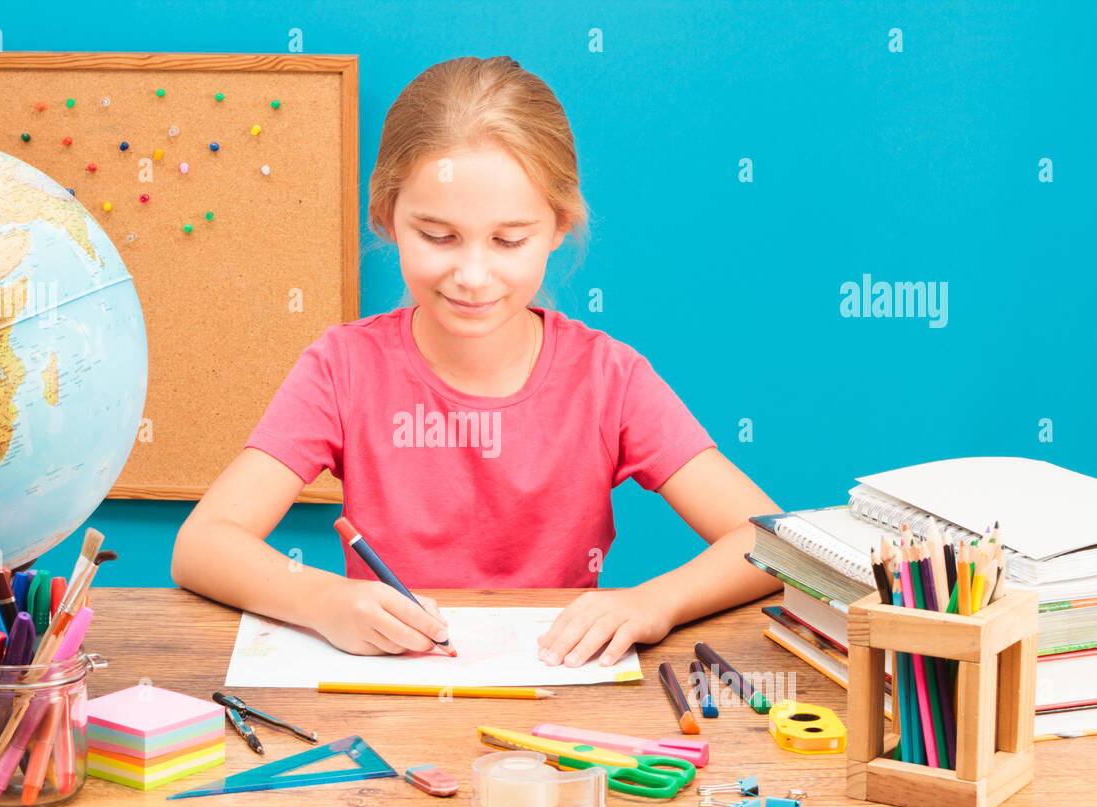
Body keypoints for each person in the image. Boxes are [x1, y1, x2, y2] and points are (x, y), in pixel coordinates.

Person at [171, 56, 780, 666]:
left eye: (509, 240)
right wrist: (326, 601)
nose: (471, 275)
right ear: (386, 217)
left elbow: (775, 544)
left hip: (553, 711)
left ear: (560, 226)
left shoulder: (607, 378)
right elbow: (202, 546)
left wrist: (655, 602)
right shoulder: (343, 367)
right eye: (438, 236)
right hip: (391, 706)